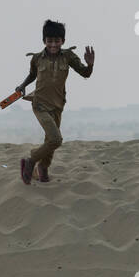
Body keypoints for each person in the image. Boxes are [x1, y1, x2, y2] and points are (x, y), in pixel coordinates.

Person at [15, 20, 94, 183]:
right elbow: (32, 75)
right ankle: (30, 161)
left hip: (58, 106)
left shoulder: (68, 57)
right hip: (40, 105)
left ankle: (43, 168)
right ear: (44, 41)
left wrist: (90, 64)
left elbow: (85, 74)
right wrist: (22, 86)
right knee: (56, 139)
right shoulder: (37, 59)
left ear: (63, 41)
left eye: (57, 41)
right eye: (49, 41)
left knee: (49, 140)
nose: (53, 44)